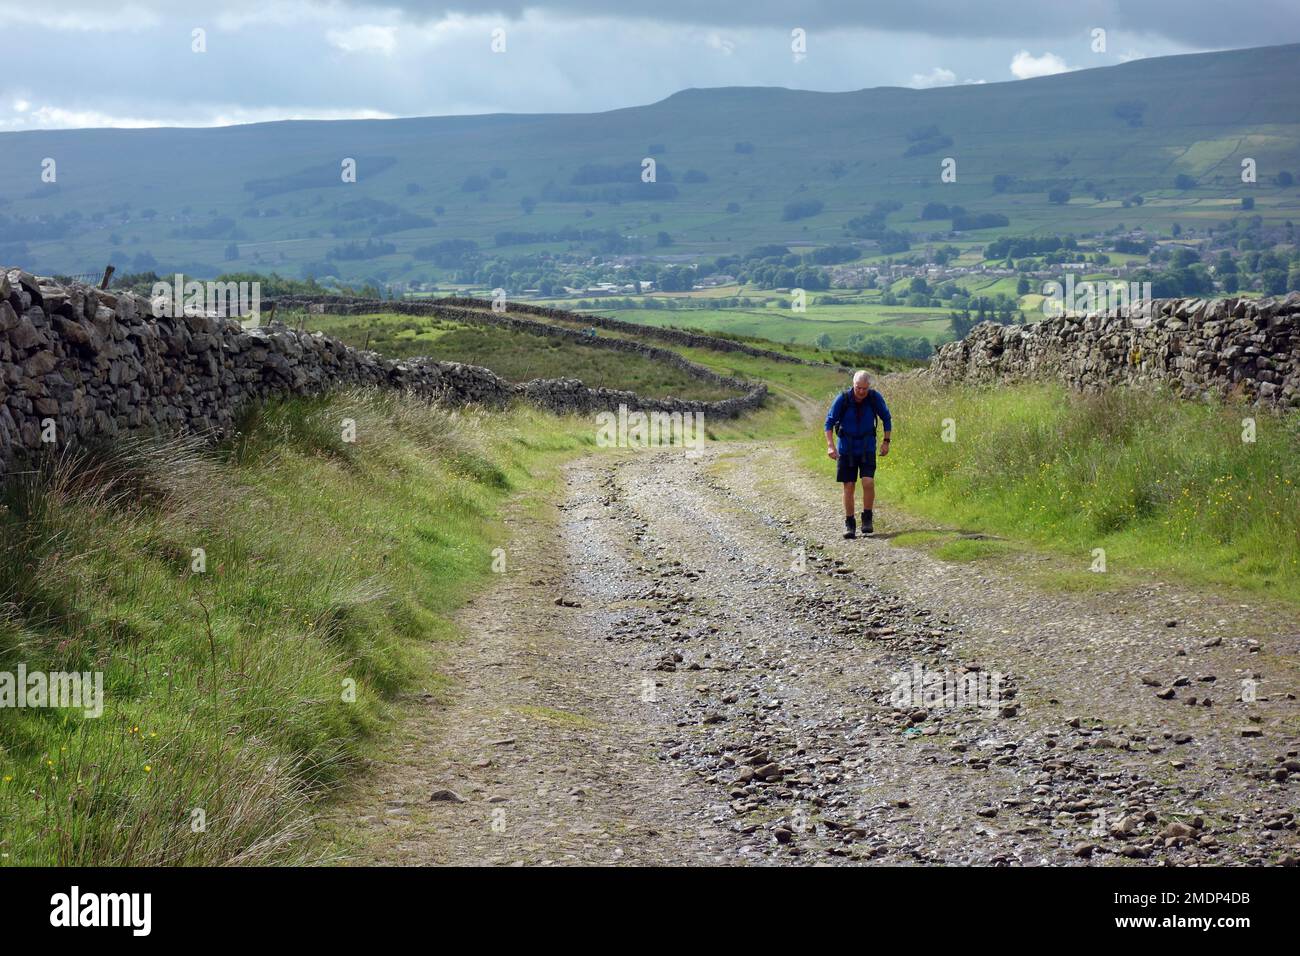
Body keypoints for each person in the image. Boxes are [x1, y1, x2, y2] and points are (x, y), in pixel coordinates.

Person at [824, 370, 891, 539]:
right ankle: (850, 523)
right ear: (853, 385)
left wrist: (886, 441)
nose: (861, 391)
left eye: (864, 388)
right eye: (858, 387)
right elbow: (829, 422)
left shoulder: (874, 398)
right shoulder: (843, 399)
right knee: (849, 486)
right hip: (846, 448)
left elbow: (886, 418)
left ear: (869, 387)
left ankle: (867, 519)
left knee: (868, 482)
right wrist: (831, 446)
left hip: (867, 446)